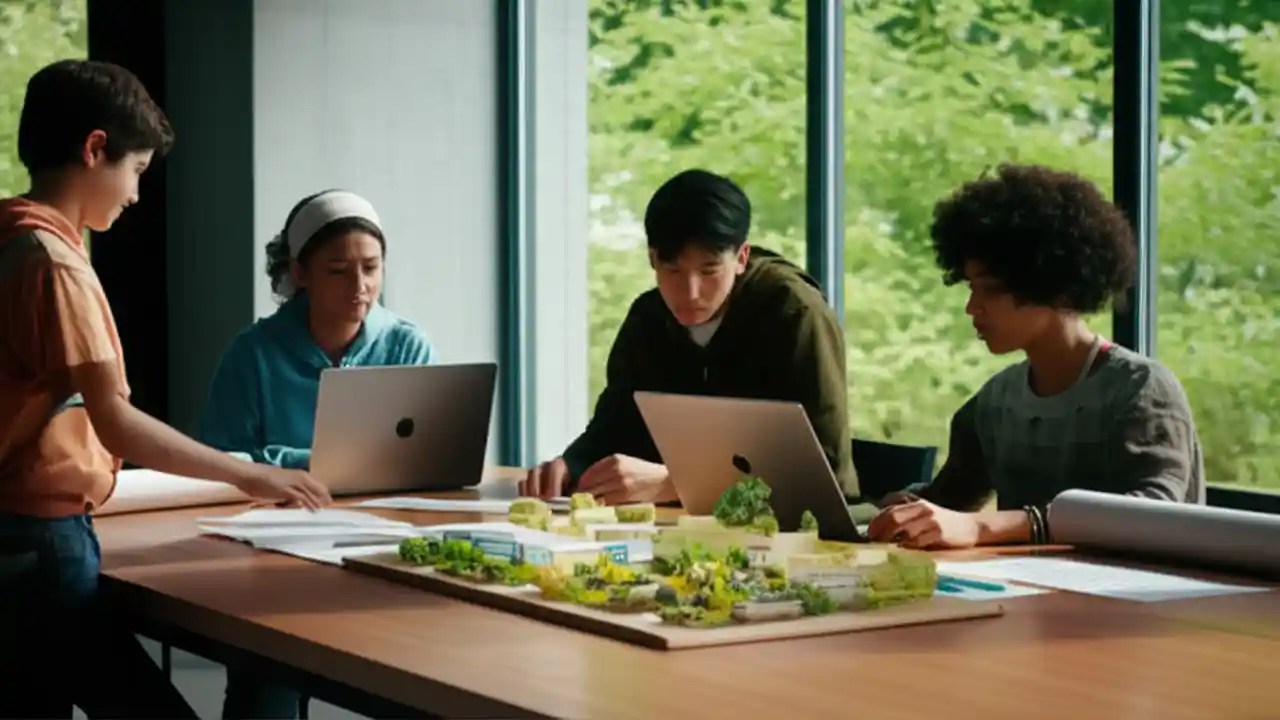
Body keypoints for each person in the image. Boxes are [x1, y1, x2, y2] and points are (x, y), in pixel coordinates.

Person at [0, 60, 330, 719]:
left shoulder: (8, 242)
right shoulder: (55, 264)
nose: (136, 196)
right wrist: (249, 475)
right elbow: (117, 424)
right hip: (38, 541)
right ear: (96, 149)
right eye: (137, 172)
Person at [868, 164, 1205, 550]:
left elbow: (1156, 512)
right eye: (970, 288)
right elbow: (950, 500)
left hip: (1139, 603)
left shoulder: (1141, 390)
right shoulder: (995, 402)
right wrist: (905, 508)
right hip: (1029, 599)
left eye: (990, 290)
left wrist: (987, 528)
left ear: (1056, 286)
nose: (972, 308)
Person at [202, 189, 433, 718]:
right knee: (265, 681)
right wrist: (307, 465)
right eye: (338, 271)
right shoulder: (252, 354)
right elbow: (223, 460)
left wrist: (288, 460)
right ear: (298, 272)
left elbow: (426, 455)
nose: (361, 287)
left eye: (371, 268)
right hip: (272, 554)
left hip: (379, 541)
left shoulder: (407, 345)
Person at [521, 168, 855, 504]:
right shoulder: (648, 318)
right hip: (677, 527)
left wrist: (675, 484)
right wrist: (572, 465)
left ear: (741, 257)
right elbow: (616, 424)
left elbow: (822, 473)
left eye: (709, 271)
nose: (690, 292)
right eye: (673, 270)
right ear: (652, 259)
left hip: (800, 534)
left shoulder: (795, 314)